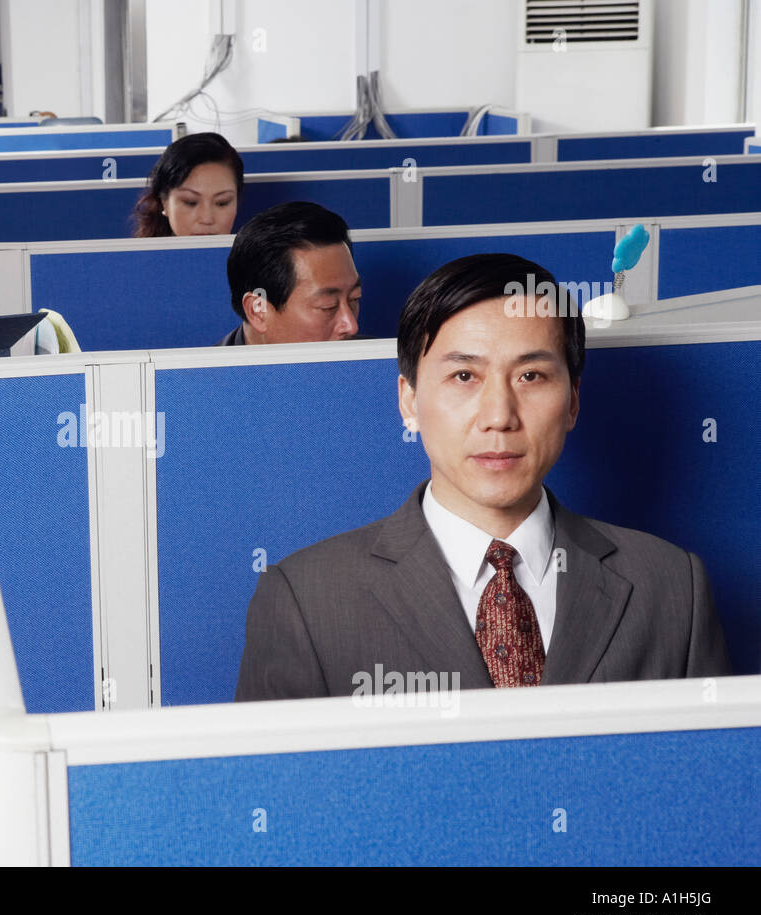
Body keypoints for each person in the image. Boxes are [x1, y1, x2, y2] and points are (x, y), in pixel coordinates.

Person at [234, 253, 731, 700]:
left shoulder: (671, 589)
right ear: (409, 400)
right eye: (464, 377)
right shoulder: (306, 601)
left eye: (531, 376)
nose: (499, 415)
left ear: (573, 400)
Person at [219, 201, 360, 345]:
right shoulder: (209, 368)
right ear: (258, 312)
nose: (352, 326)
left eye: (354, 299)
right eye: (327, 306)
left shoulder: (379, 361)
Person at [132, 132, 243, 238]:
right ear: (164, 203)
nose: (206, 219)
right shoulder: (138, 257)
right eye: (190, 203)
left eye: (222, 203)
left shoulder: (254, 256)